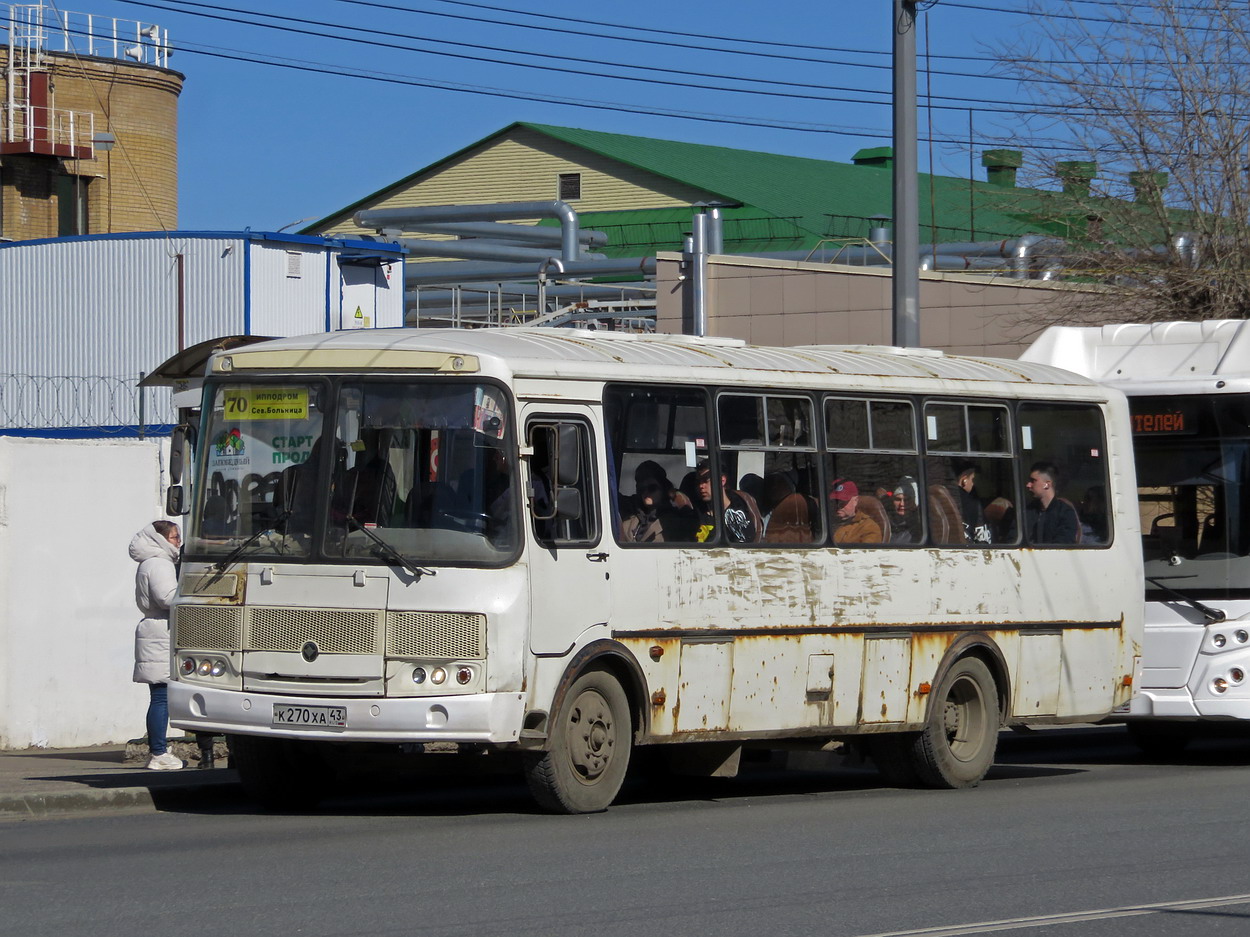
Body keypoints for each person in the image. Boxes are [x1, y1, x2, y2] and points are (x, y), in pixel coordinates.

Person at [129, 520, 184, 770]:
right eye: (174, 537)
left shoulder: (149, 562)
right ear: (161, 539)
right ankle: (159, 753)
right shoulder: (160, 563)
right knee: (161, 696)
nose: (178, 542)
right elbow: (166, 597)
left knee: (159, 695)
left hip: (155, 630)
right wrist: (191, 595)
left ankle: (159, 749)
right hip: (162, 631)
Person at [620, 462, 695, 542]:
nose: (646, 492)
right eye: (641, 489)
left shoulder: (675, 522)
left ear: (663, 488)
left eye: (652, 488)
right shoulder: (629, 521)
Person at [694, 460, 761, 543]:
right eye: (699, 481)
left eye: (706, 480)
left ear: (722, 481)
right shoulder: (696, 514)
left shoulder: (736, 515)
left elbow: (745, 548)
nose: (701, 486)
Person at [1024, 461, 1079, 544]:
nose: (1028, 485)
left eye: (1033, 481)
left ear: (1047, 484)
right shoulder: (1025, 511)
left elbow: (1063, 545)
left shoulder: (1065, 513)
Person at [829, 478, 884, 544]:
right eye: (835, 502)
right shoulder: (825, 523)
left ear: (855, 501)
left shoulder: (868, 527)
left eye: (843, 502)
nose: (838, 506)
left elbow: (867, 553)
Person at [954, 461, 993, 544]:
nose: (973, 484)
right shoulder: (972, 503)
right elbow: (983, 538)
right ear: (964, 481)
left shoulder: (942, 497)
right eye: (972, 479)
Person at [888, 476, 923, 544]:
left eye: (907, 500)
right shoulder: (885, 523)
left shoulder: (919, 529)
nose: (902, 504)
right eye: (898, 499)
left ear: (914, 503)